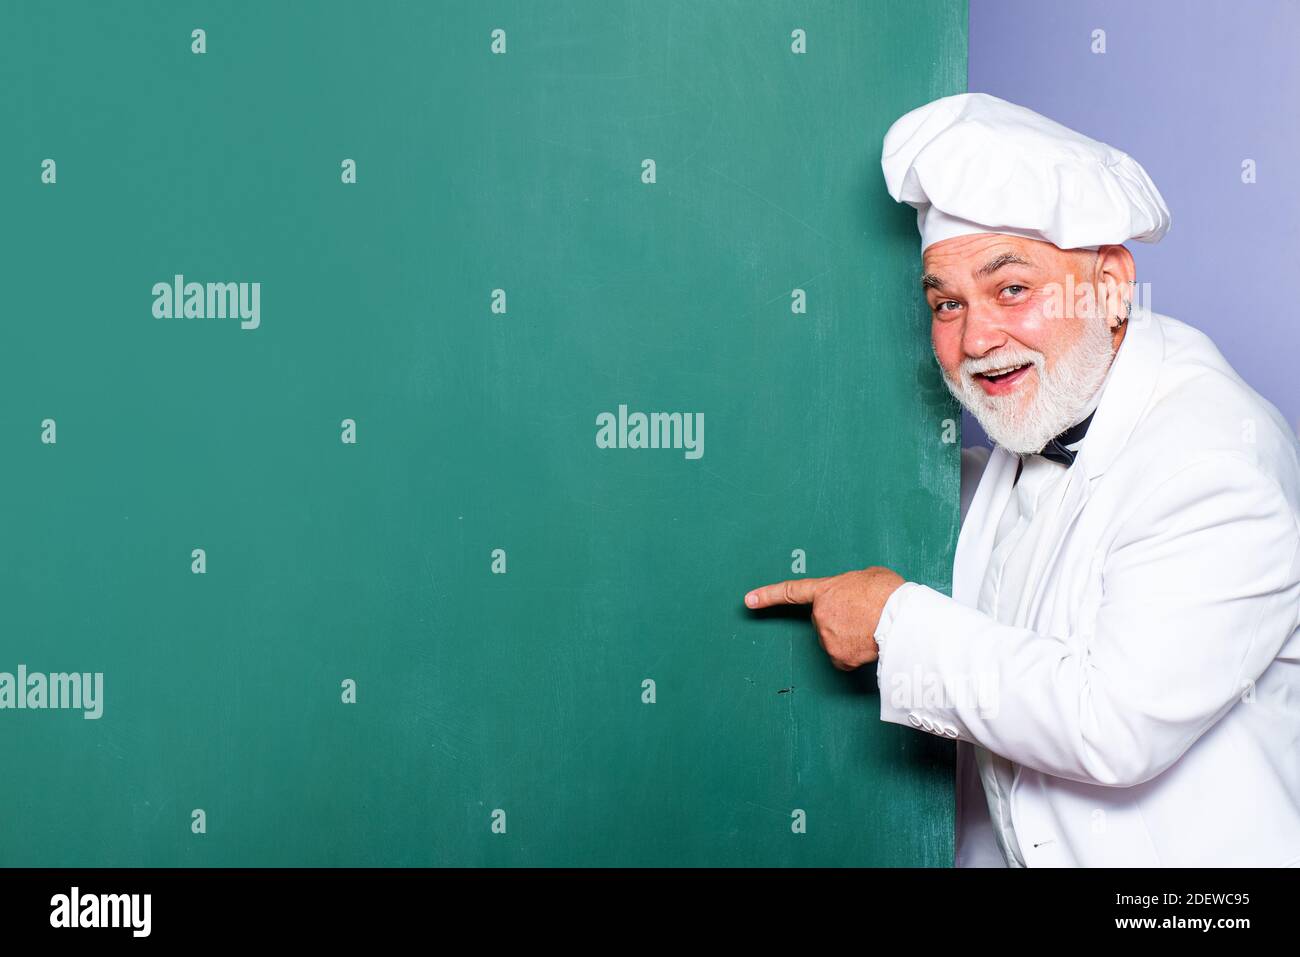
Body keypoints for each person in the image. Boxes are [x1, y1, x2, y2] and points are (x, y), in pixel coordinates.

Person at [744, 93, 1300, 867]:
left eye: (1012, 290)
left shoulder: (1214, 459)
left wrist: (893, 622)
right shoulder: (1038, 424)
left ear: (1109, 285)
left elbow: (1111, 722)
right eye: (947, 302)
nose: (976, 338)